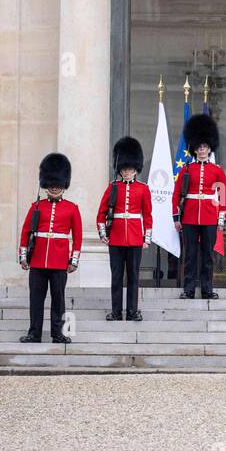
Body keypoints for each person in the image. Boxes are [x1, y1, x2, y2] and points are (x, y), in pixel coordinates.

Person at [20, 153, 83, 342]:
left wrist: (74, 260)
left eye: (58, 185)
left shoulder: (72, 208)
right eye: (51, 185)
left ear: (64, 185)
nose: (55, 188)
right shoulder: (36, 206)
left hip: (59, 261)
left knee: (58, 300)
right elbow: (25, 232)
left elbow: (77, 237)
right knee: (36, 300)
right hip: (38, 259)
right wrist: (24, 256)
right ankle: (34, 333)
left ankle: (58, 333)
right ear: (46, 185)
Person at [97, 137, 152, 321]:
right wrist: (103, 234)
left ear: (136, 169)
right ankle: (116, 311)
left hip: (135, 237)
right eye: (124, 169)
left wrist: (147, 238)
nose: (127, 172)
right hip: (116, 238)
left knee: (133, 277)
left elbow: (148, 215)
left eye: (130, 169)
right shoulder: (113, 188)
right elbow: (101, 213)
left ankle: (132, 311)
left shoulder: (143, 189)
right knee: (116, 277)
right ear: (120, 169)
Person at [174, 114, 226, 300]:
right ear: (194, 148)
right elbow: (176, 194)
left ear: (209, 147)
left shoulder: (217, 170)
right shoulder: (186, 170)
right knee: (190, 255)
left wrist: (221, 219)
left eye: (204, 146)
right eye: (199, 146)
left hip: (209, 217)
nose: (202, 149)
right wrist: (176, 218)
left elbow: (222, 195)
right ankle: (188, 288)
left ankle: (207, 288)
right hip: (189, 216)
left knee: (207, 256)